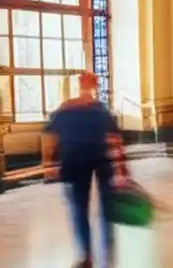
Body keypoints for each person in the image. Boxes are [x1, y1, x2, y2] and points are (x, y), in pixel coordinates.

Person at [42, 72, 126, 268]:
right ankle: (104, 249)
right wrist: (122, 166)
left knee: (80, 208)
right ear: (94, 85)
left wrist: (48, 164)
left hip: (76, 161)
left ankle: (88, 253)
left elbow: (50, 139)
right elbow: (116, 139)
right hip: (96, 160)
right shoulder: (98, 110)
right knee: (99, 207)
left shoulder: (66, 110)